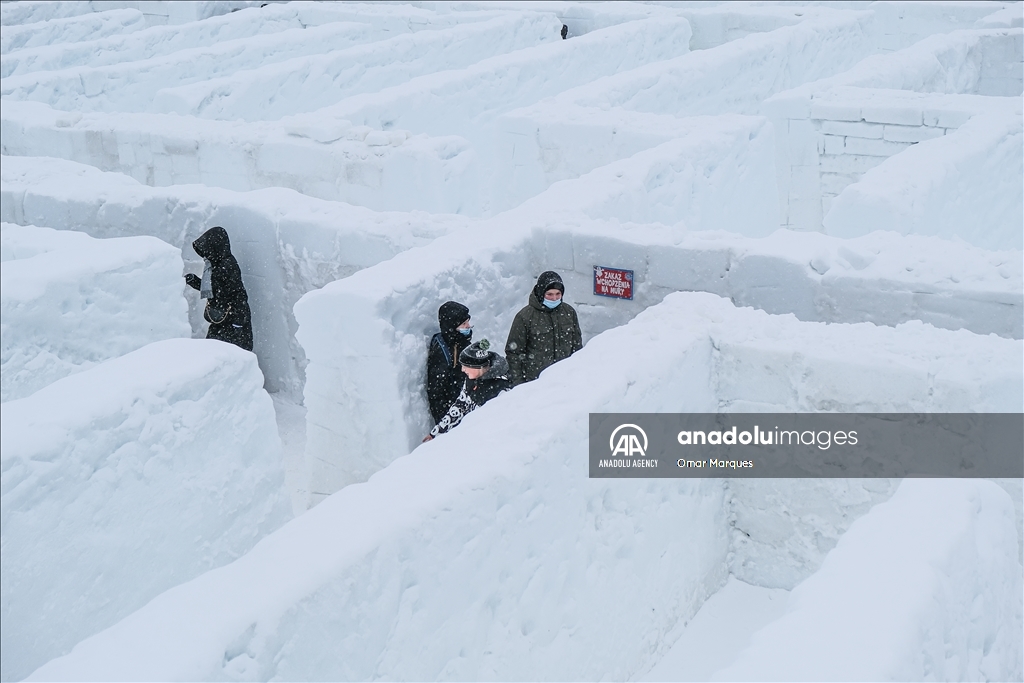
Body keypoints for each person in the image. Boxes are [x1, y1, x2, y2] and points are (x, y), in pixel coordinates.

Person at [505, 270, 582, 386]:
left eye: (558, 294)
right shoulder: (525, 317)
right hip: (535, 382)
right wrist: (518, 384)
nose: (554, 298)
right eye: (549, 294)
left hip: (565, 380)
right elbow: (514, 353)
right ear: (541, 293)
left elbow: (577, 347)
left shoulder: (569, 313)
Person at [424, 339, 511, 440]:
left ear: (477, 367)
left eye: (465, 366)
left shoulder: (502, 388)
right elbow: (461, 406)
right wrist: (436, 433)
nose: (462, 370)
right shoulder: (472, 379)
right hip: (470, 437)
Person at [184, 226, 253, 352]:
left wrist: (238, 323)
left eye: (207, 251)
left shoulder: (227, 265)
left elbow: (237, 294)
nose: (205, 256)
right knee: (215, 354)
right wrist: (194, 281)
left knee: (227, 357)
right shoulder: (215, 265)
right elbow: (215, 288)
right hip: (223, 320)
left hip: (232, 322)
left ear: (214, 247)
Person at [426, 301, 473, 423]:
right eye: (464, 324)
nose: (468, 326)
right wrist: (446, 422)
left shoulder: (461, 342)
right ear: (452, 327)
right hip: (455, 414)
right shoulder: (442, 353)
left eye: (468, 321)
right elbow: (437, 393)